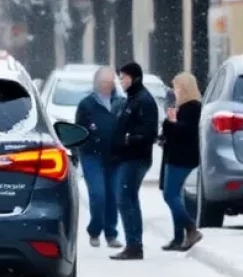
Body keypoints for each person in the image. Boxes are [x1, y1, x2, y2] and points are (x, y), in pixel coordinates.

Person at [110, 61, 159, 261]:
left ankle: (134, 245)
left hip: (136, 158)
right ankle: (133, 244)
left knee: (125, 198)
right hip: (127, 157)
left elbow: (149, 133)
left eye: (124, 77)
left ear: (134, 78)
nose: (121, 81)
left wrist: (128, 139)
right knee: (128, 198)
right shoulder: (132, 99)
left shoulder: (143, 101)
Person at [74, 67, 125, 249]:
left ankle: (111, 234)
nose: (106, 86)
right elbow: (78, 131)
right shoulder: (87, 104)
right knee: (98, 194)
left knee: (113, 195)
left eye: (110, 82)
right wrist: (80, 148)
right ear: (96, 82)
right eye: (103, 82)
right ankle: (95, 229)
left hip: (115, 157)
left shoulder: (120, 103)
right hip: (92, 156)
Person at [160, 72, 203, 251]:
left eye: (176, 87)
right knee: (176, 196)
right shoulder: (183, 107)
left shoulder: (192, 107)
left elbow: (185, 131)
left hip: (181, 158)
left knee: (171, 195)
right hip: (175, 155)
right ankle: (178, 237)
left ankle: (190, 227)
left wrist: (170, 122)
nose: (174, 91)